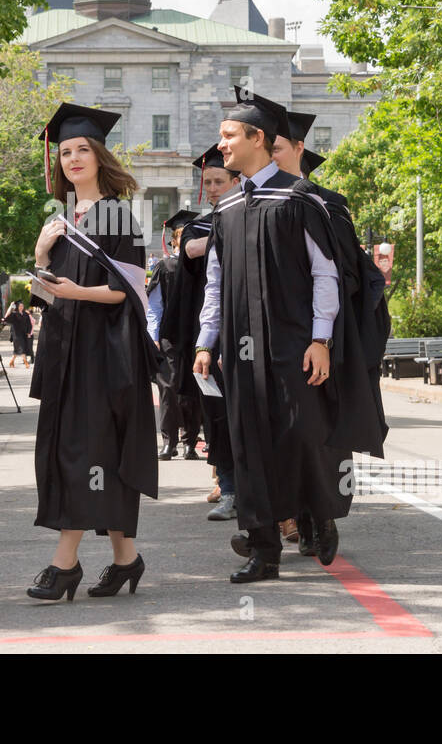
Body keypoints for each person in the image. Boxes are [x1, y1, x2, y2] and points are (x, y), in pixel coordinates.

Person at [193, 90, 386, 582]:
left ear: (259, 139)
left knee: (304, 436)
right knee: (250, 443)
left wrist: (322, 340)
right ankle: (263, 550)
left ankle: (316, 514)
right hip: (239, 349)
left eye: (229, 136)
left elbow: (327, 275)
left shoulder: (298, 201)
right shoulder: (228, 207)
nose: (222, 147)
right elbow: (214, 281)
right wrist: (204, 341)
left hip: (294, 347)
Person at [28, 103, 158, 601]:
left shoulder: (115, 216)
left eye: (83, 149)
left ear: (100, 157)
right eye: (65, 151)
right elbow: (45, 291)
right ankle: (126, 560)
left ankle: (65, 565)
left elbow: (126, 292)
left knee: (85, 451)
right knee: (88, 450)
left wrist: (74, 293)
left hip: (104, 353)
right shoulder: (62, 219)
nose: (73, 159)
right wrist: (41, 256)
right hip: (65, 347)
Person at [175, 147, 240, 519]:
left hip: (246, 333)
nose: (212, 188)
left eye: (219, 181)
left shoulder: (251, 218)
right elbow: (192, 249)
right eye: (208, 182)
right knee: (217, 417)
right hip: (210, 337)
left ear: (236, 181)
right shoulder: (200, 226)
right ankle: (229, 489)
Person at [147, 210, 202, 461]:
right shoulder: (164, 266)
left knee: (193, 389)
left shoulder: (202, 265)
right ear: (174, 240)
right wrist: (153, 336)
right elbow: (155, 307)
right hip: (169, 335)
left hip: (196, 334)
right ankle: (169, 442)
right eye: (181, 235)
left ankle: (191, 441)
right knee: (168, 388)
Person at [5, 300, 34, 368]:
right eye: (20, 306)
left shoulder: (25, 314)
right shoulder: (14, 314)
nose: (21, 307)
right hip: (16, 334)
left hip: (24, 334)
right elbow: (6, 317)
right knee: (22, 348)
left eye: (22, 306)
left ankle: (11, 362)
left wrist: (29, 332)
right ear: (17, 307)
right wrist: (10, 306)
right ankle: (26, 362)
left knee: (17, 350)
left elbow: (29, 324)